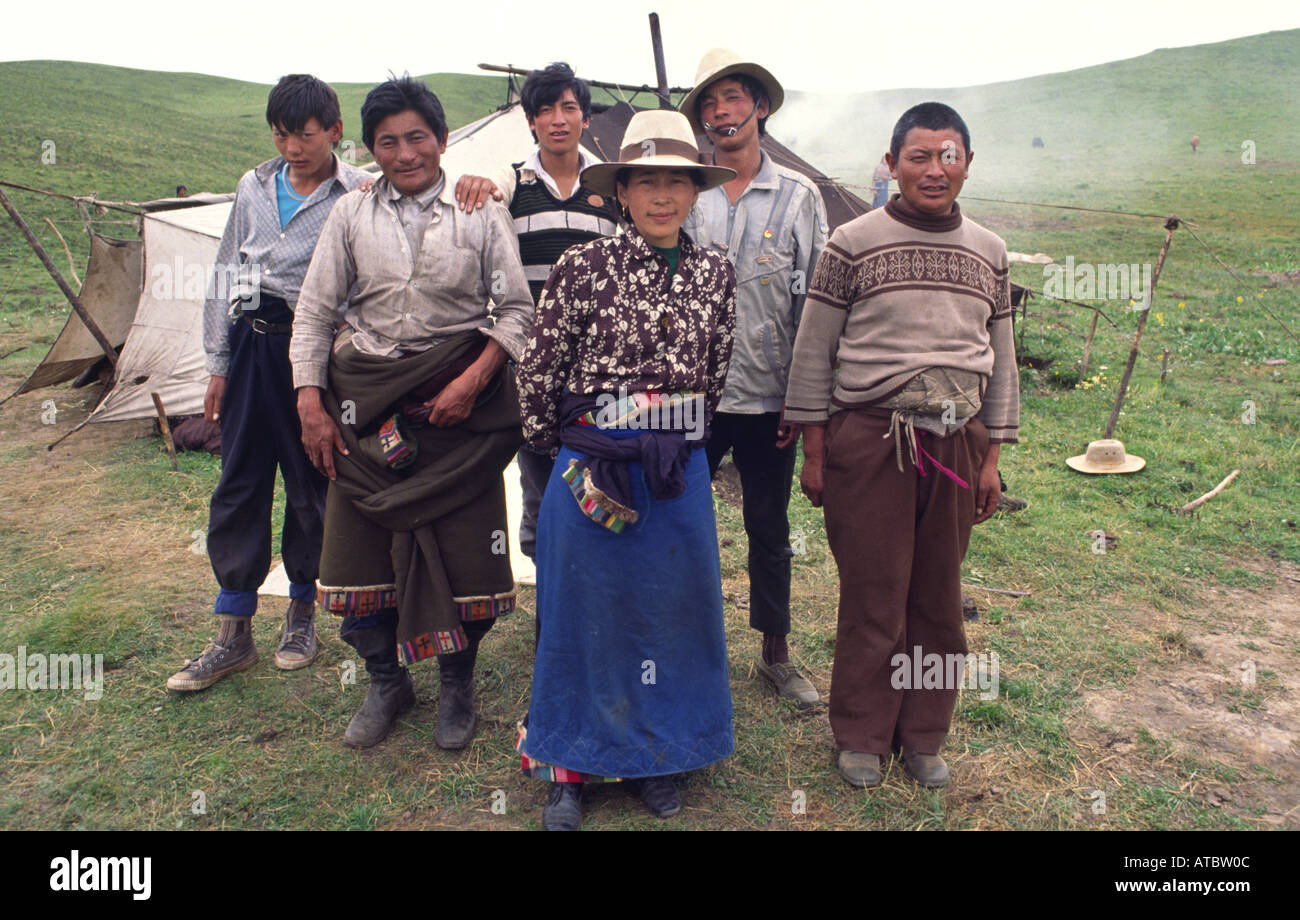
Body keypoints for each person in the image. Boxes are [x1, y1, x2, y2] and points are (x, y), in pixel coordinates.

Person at [289, 75, 534, 749]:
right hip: (361, 411)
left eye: (417, 138)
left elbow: (516, 310)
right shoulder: (350, 214)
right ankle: (385, 682)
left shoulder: (479, 211)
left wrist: (477, 376)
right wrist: (311, 402)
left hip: (457, 415)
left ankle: (458, 687)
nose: (404, 154)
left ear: (442, 139)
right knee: (356, 556)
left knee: (466, 557)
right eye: (388, 142)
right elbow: (314, 310)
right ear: (371, 149)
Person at [783, 102, 1020, 790]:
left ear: (967, 165)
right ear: (891, 165)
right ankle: (861, 734)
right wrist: (817, 453)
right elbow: (813, 352)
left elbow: (1000, 362)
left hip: (957, 444)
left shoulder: (991, 251)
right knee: (874, 594)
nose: (935, 169)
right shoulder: (851, 242)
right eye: (919, 156)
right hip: (872, 439)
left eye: (949, 156)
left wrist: (992, 461)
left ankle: (922, 734)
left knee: (938, 600)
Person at [515, 110, 737, 830]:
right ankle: (569, 767)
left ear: (695, 192)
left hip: (677, 473)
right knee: (583, 617)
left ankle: (660, 757)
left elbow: (717, 370)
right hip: (592, 469)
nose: (663, 196)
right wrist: (573, 451)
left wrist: (673, 435)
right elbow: (540, 371)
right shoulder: (584, 267)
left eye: (677, 182)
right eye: (648, 182)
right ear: (623, 192)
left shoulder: (715, 274)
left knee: (670, 615)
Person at [168, 74, 369, 693]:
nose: (292, 148)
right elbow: (227, 272)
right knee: (239, 480)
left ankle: (303, 614)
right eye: (281, 135)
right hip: (253, 346)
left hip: (313, 355)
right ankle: (232, 631)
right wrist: (218, 364)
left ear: (334, 131)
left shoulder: (359, 193)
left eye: (305, 135)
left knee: (312, 481)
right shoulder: (252, 189)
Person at [679, 48, 828, 707]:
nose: (720, 111)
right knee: (679, 521)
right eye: (709, 102)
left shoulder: (798, 196)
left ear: (760, 107)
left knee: (769, 526)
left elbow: (815, 307)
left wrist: (805, 398)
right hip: (694, 399)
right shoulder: (685, 190)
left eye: (733, 97)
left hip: (770, 397)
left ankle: (775, 651)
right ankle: (680, 648)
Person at [454, 63, 619, 568]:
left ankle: (587, 598)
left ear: (586, 119)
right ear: (529, 121)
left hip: (597, 370)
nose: (557, 119)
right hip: (534, 370)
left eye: (569, 107)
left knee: (597, 483)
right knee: (541, 490)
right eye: (545, 109)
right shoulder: (510, 185)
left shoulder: (610, 189)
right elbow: (473, 201)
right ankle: (552, 612)